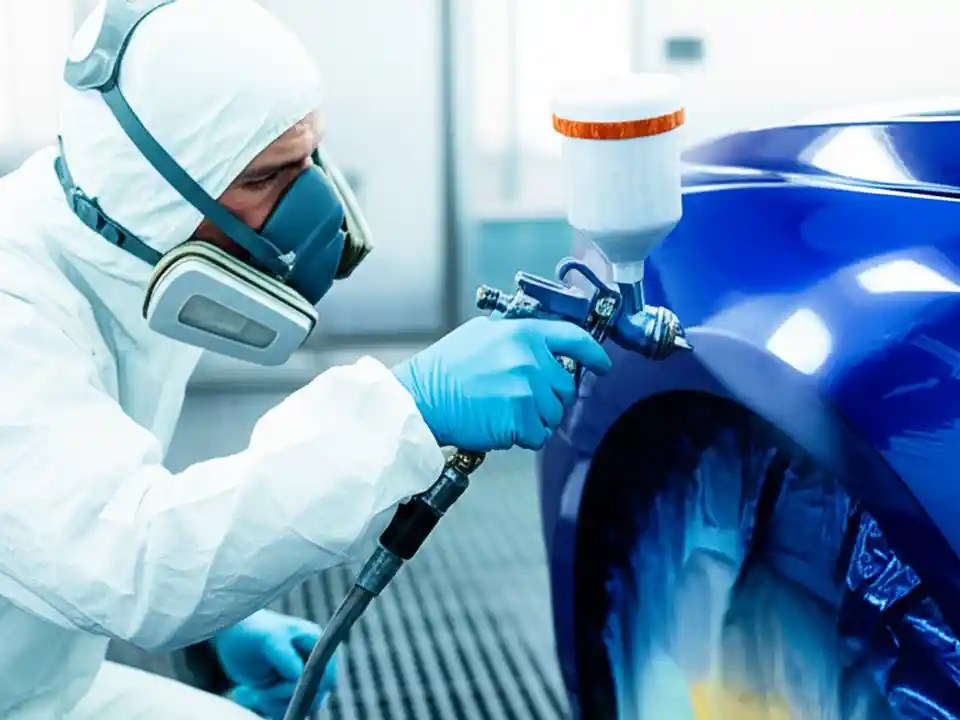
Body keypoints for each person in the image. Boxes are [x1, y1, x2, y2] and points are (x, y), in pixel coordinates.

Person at [0, 0, 610, 718]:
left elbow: (67, 488)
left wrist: (212, 631)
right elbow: (126, 560)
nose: (312, 211)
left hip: (42, 676)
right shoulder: (17, 301)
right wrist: (408, 408)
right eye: (267, 179)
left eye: (308, 161)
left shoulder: (124, 251)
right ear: (153, 196)